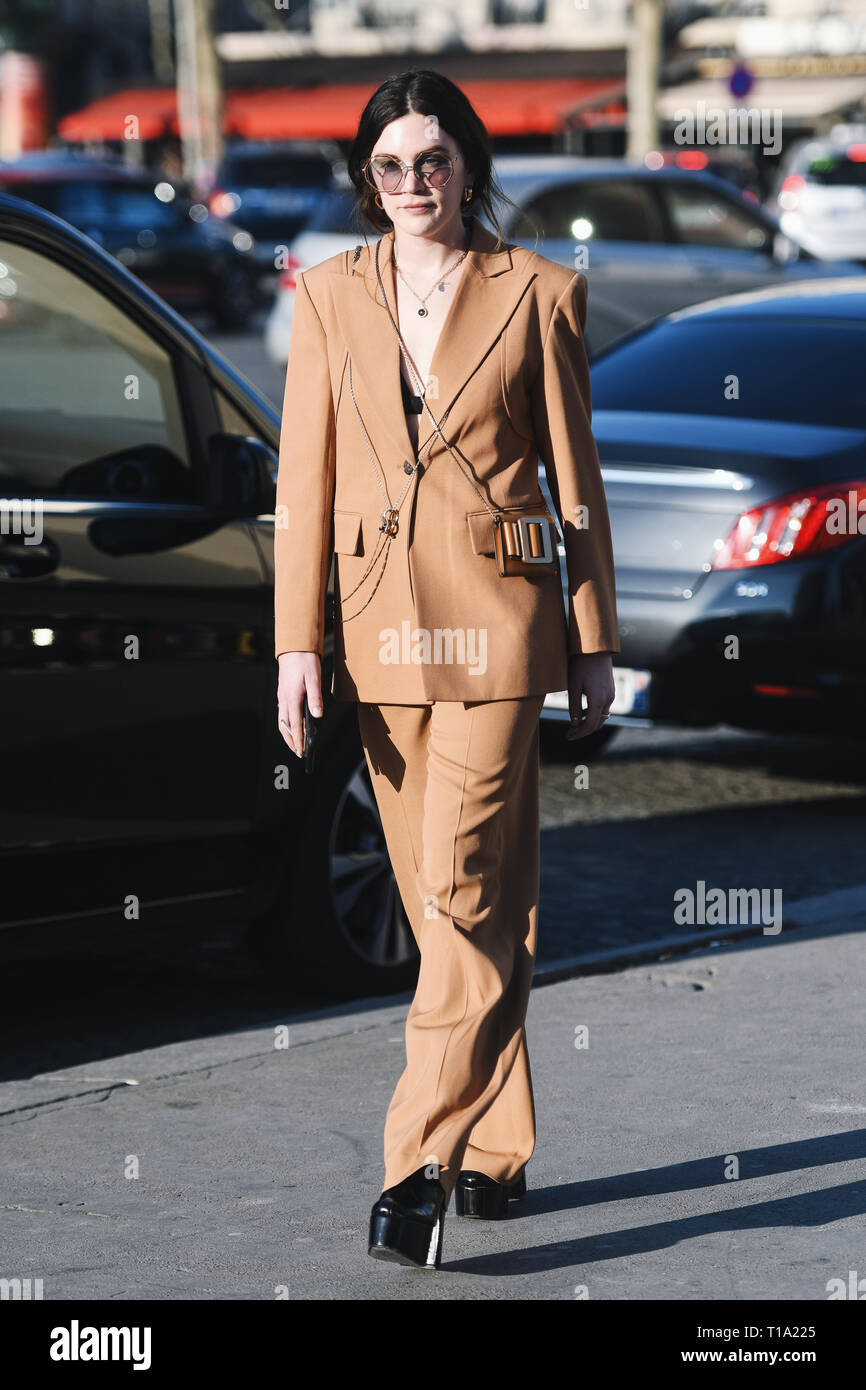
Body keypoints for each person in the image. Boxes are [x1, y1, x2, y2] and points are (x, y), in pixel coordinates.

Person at [274, 68, 619, 1271]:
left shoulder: (538, 293)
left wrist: (590, 639)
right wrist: (294, 644)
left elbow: (574, 484)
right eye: (388, 166)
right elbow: (301, 483)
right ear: (365, 178)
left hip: (497, 626)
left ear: (469, 164)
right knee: (450, 904)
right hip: (377, 630)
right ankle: (497, 1146)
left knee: (463, 880)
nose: (412, 184)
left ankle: (416, 1161)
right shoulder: (325, 294)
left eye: (432, 160)